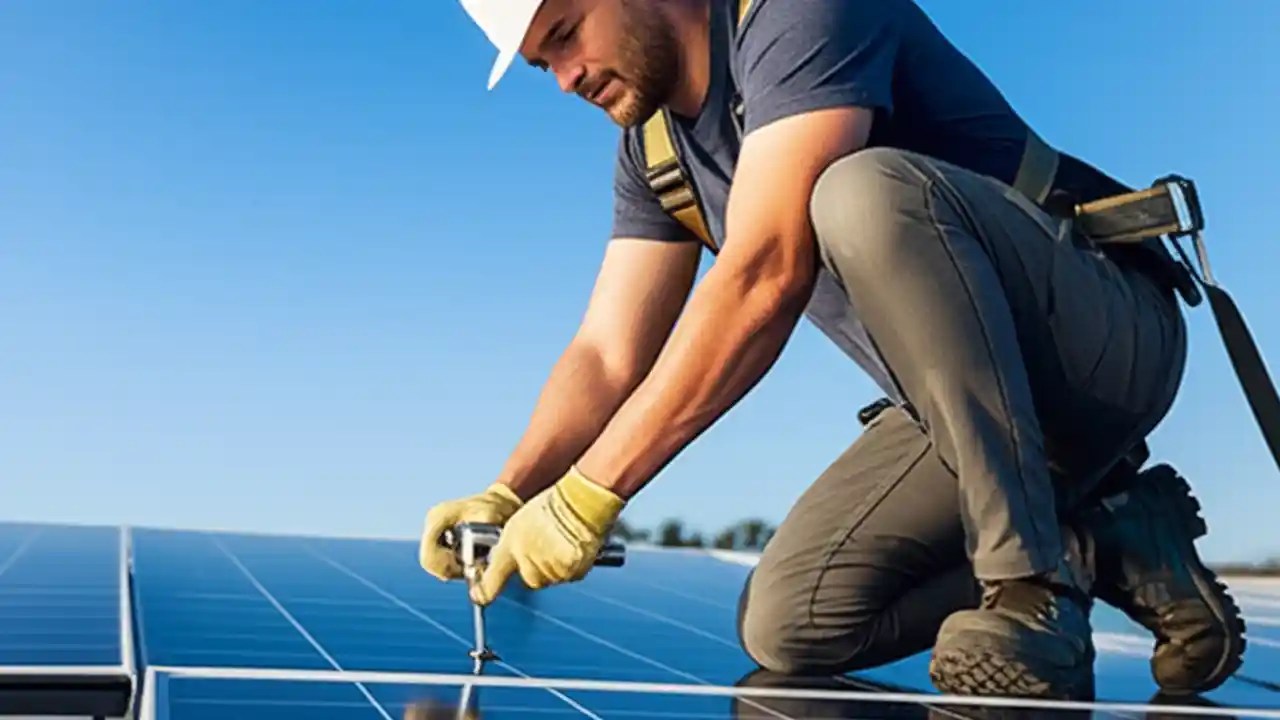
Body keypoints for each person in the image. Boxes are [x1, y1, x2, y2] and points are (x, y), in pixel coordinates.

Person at [418, 0, 1246, 700]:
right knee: (791, 623)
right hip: (965, 420)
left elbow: (767, 267)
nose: (565, 78)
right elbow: (606, 352)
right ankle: (1109, 543)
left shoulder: (798, 15)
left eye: (564, 33)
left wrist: (592, 494)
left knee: (859, 193)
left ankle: (1032, 593)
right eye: (540, 65)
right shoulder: (655, 153)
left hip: (1104, 344)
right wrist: (510, 490)